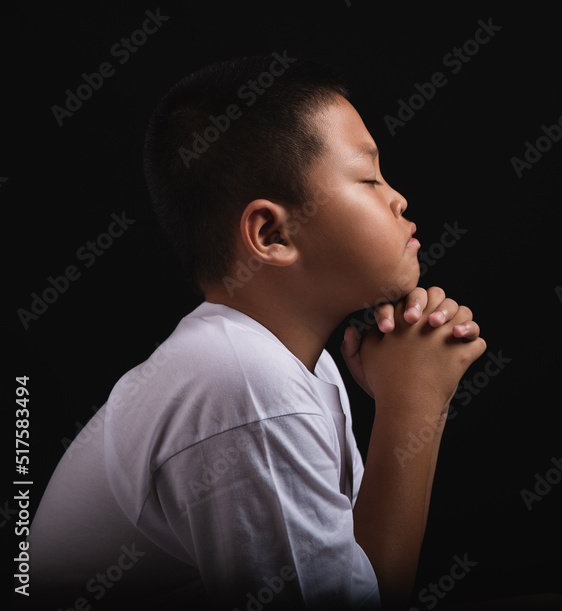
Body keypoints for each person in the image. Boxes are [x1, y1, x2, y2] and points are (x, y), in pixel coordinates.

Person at [26, 56, 500, 610]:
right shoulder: (244, 382)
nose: (398, 198)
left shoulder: (294, 363)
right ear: (272, 233)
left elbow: (359, 577)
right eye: (369, 178)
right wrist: (415, 404)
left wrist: (409, 396)